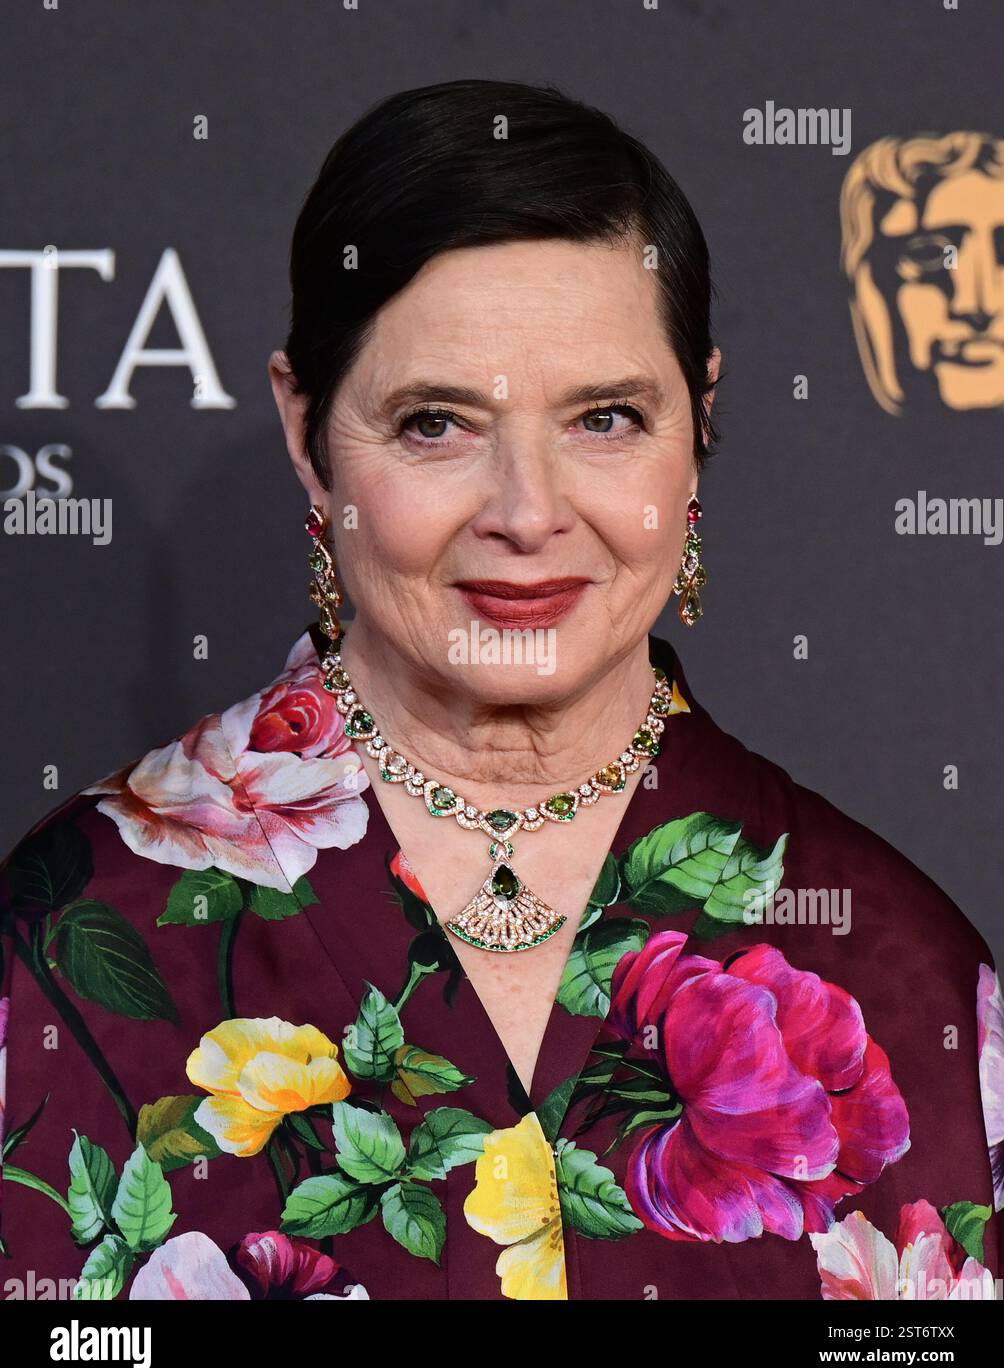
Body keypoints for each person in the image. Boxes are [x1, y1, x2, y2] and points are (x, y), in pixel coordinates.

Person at [1, 79, 1000, 1303]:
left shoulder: (901, 971)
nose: (527, 513)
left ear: (699, 421)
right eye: (434, 424)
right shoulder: (60, 946)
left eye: (605, 418)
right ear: (306, 432)